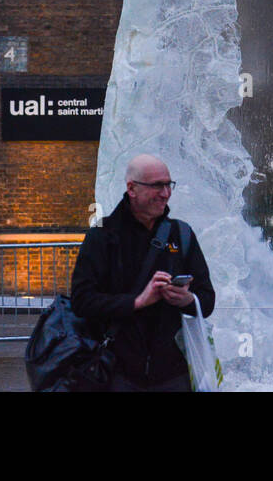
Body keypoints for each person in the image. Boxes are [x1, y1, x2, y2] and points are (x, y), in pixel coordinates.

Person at [70, 153, 215, 391]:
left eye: (168, 185)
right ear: (132, 188)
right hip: (117, 372)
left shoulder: (182, 234)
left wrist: (188, 300)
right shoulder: (102, 235)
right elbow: (82, 301)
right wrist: (137, 302)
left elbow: (207, 300)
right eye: (157, 185)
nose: (166, 193)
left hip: (174, 373)